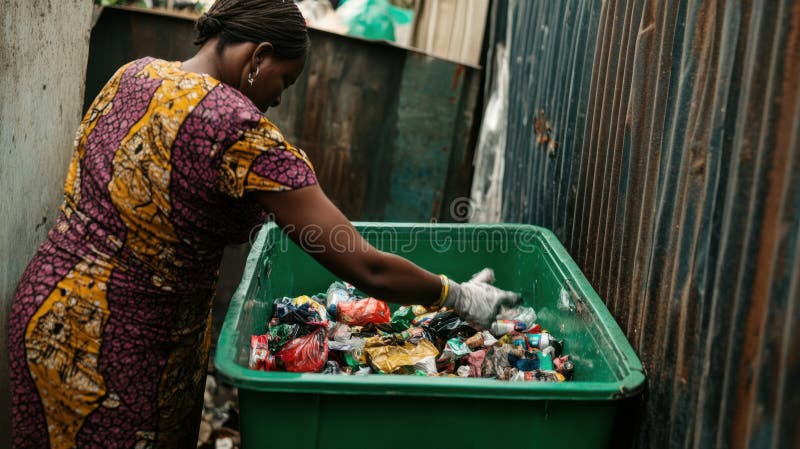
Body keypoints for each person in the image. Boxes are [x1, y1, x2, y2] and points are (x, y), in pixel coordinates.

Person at [7, 0, 520, 447]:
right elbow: (366, 267)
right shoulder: (237, 127)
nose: (279, 97)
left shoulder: (133, 72)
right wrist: (456, 296)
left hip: (47, 312)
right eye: (285, 81)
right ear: (258, 56)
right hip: (118, 349)